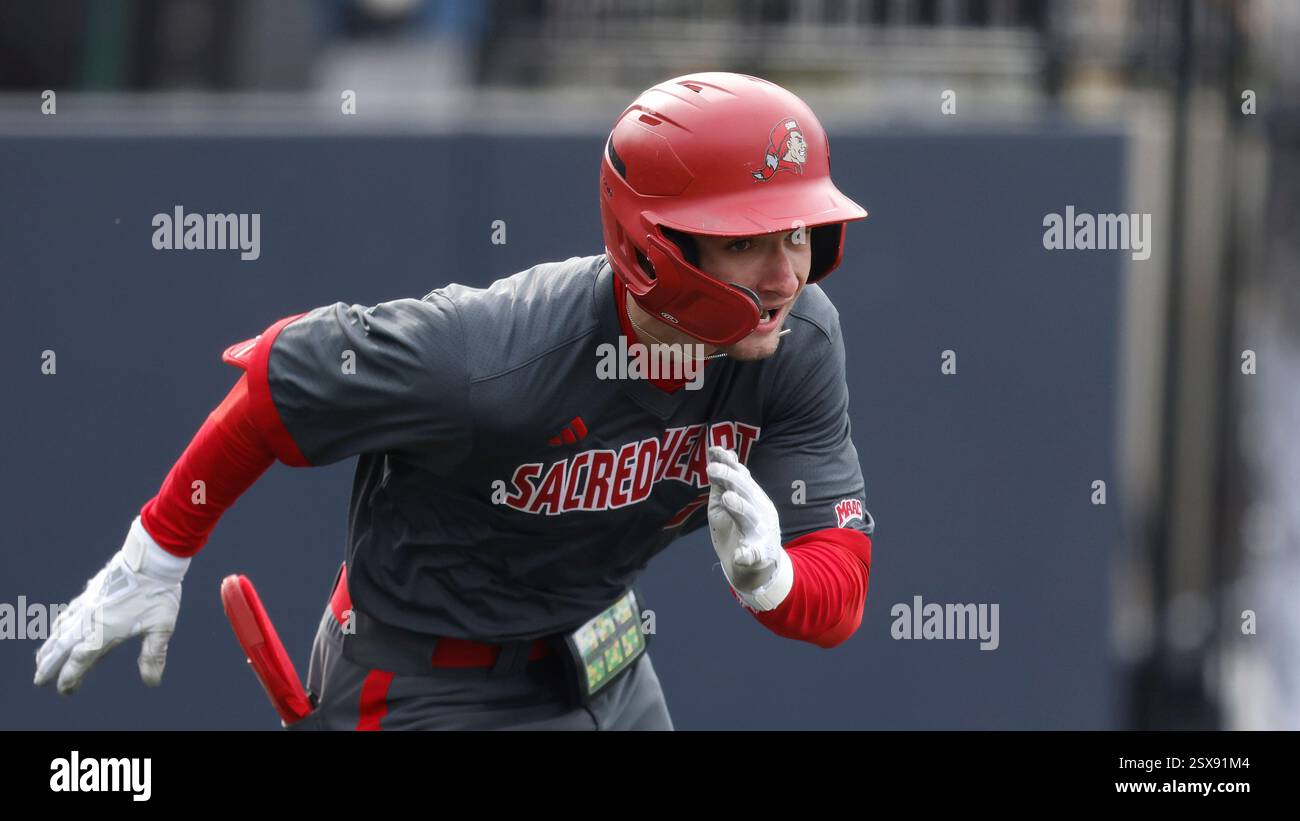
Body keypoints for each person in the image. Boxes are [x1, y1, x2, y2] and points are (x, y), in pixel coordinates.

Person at [33, 71, 875, 730]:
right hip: (428, 682)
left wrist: (772, 580)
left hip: (604, 654)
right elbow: (278, 381)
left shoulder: (797, 339)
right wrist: (157, 552)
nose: (786, 274)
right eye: (747, 242)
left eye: (797, 232)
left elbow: (839, 598)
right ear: (656, 245)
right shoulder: (496, 352)